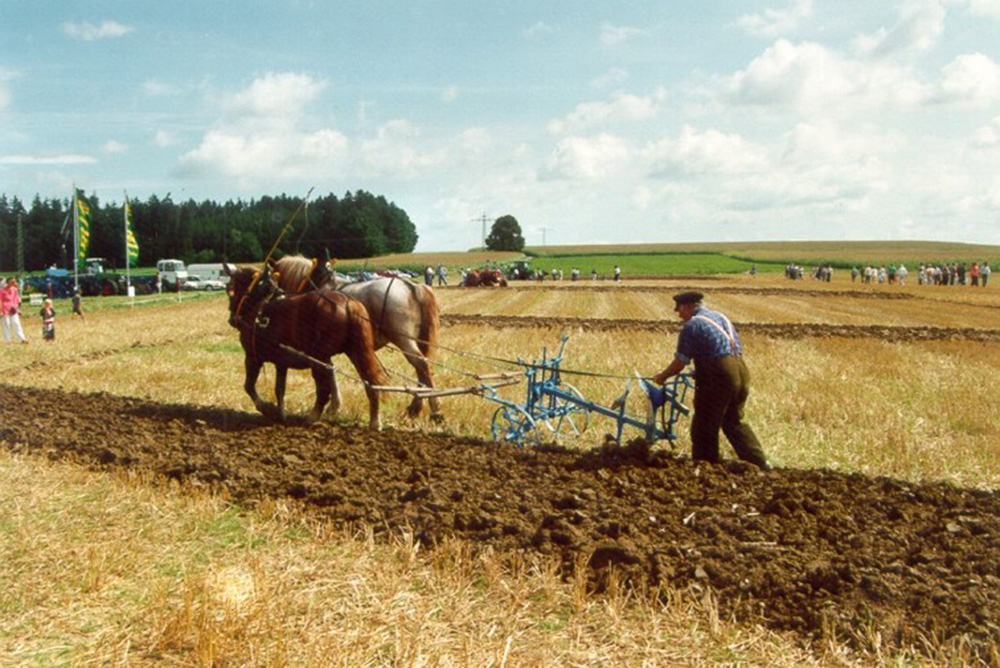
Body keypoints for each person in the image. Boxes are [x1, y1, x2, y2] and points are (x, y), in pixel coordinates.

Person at [651, 291, 771, 471]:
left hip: (720, 376)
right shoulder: (720, 317)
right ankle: (760, 463)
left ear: (690, 307)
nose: (678, 313)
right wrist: (702, 371)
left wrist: (663, 376)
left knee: (704, 422)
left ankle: (706, 466)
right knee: (734, 421)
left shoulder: (692, 325)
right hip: (740, 371)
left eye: (679, 309)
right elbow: (721, 350)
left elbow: (681, 361)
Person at [0, 276, 28, 344]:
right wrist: (0, 310)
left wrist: (17, 309)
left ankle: (22, 339)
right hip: (5, 309)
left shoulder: (14, 289)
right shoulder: (2, 290)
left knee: (16, 324)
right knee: (6, 324)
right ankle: (8, 340)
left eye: (14, 281)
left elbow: (16, 300)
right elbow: (0, 300)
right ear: (8, 282)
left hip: (13, 309)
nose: (14, 283)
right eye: (12, 281)